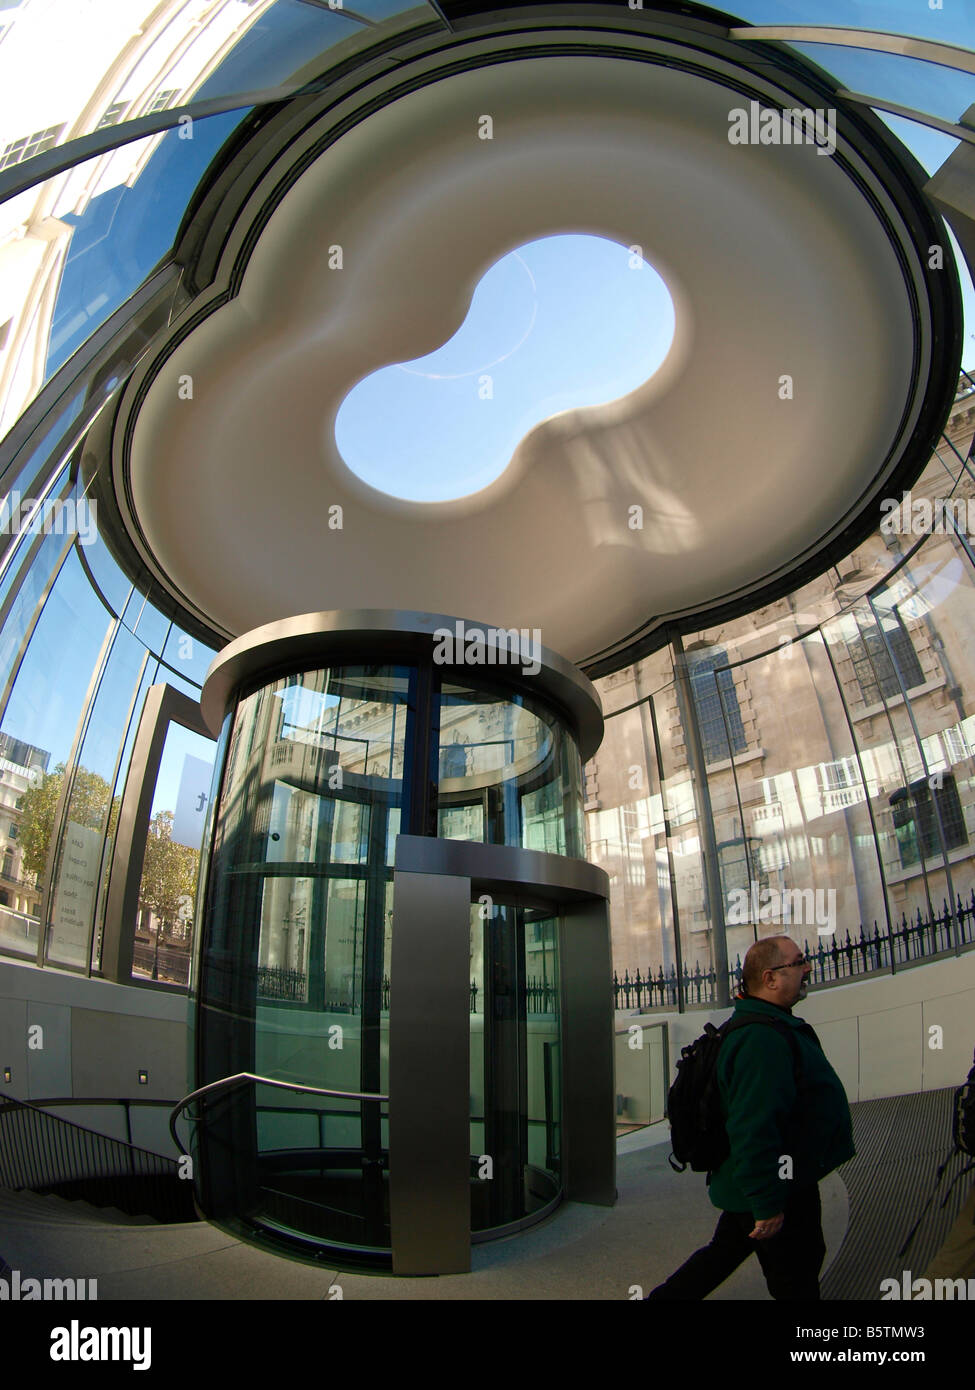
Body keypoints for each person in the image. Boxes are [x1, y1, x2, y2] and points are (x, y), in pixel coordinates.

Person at [647, 934, 855, 1300]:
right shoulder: (761, 1040)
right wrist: (766, 1204)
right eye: (798, 961)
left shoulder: (765, 1025)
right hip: (775, 1187)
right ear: (771, 978)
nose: (807, 968)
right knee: (797, 1278)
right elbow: (753, 1129)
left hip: (766, 1182)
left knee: (723, 1254)